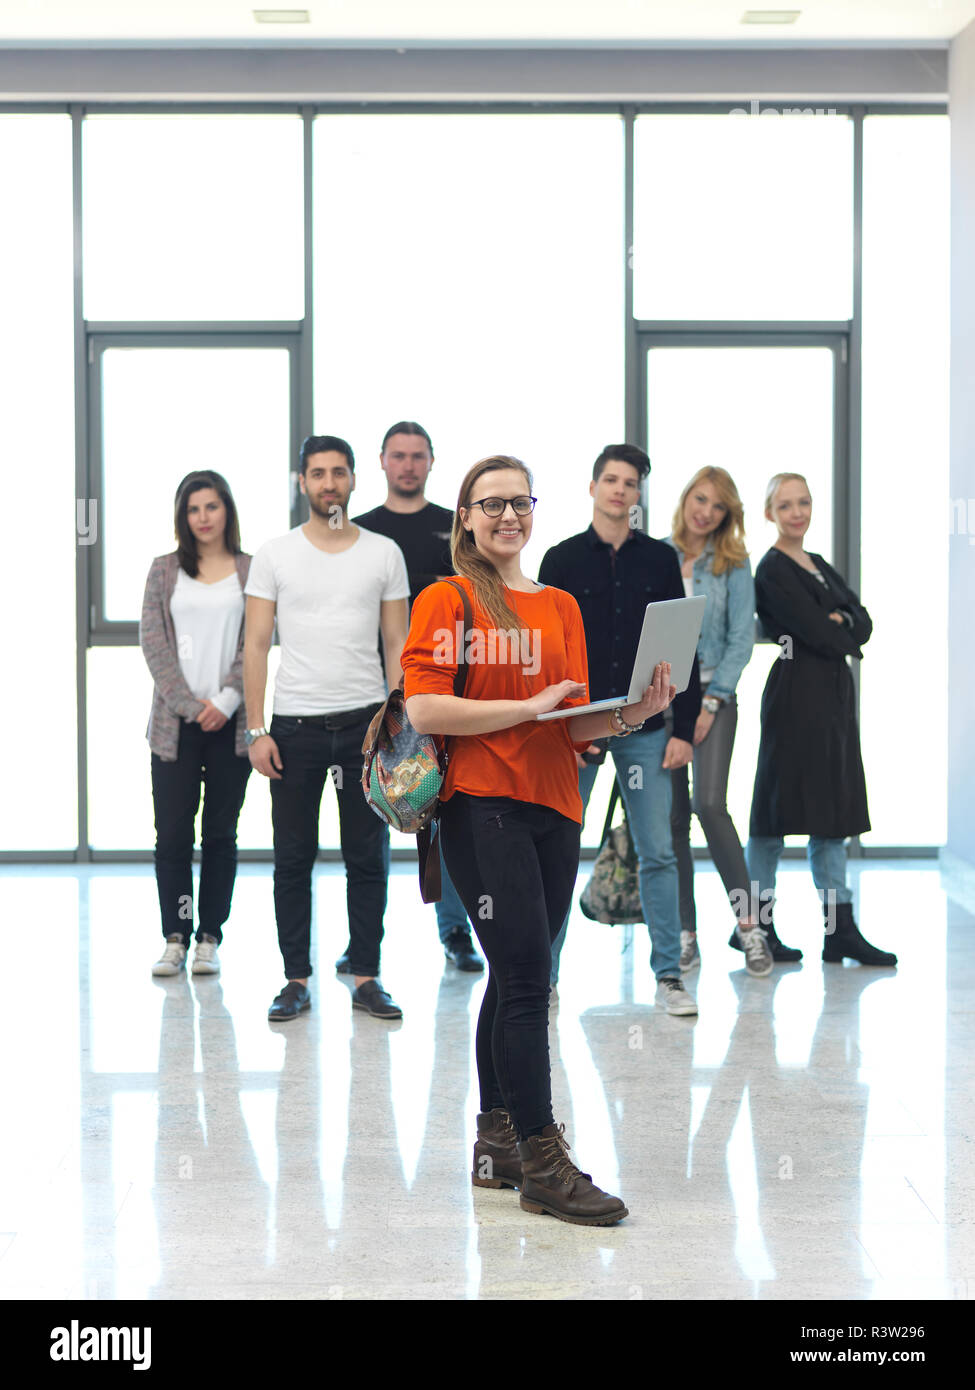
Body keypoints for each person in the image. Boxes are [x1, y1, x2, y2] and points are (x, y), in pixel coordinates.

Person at [401, 453, 676, 1225]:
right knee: (526, 977)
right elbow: (425, 710)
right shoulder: (446, 598)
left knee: (515, 974)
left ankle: (494, 1143)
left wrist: (632, 712)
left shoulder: (558, 605)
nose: (506, 516)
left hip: (555, 803)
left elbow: (573, 720)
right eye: (488, 505)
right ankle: (542, 1161)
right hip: (480, 805)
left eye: (517, 502)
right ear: (464, 517)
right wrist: (524, 708)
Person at [243, 434, 411, 1021]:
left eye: (338, 472)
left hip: (367, 725)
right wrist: (254, 729)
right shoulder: (275, 554)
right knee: (293, 858)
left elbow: (397, 642)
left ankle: (367, 975)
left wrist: (401, 725)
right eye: (317, 473)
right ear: (302, 482)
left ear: (354, 479)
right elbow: (257, 644)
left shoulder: (384, 553)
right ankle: (295, 979)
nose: (329, 483)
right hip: (293, 729)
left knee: (368, 856)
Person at [539, 444, 702, 1015]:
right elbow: (546, 652)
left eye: (630, 483)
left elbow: (682, 645)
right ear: (592, 487)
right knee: (557, 850)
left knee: (658, 851)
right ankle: (545, 979)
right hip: (578, 726)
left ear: (638, 495)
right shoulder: (559, 560)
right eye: (610, 480)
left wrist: (682, 726)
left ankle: (669, 977)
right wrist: (566, 731)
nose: (619, 490)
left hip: (646, 724)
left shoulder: (659, 559)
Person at [746, 472, 896, 967]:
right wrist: (837, 623)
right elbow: (815, 631)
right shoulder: (771, 569)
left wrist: (841, 622)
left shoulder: (818, 565)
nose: (797, 512)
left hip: (832, 700)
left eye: (804, 502)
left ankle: (840, 933)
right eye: (786, 505)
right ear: (770, 513)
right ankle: (756, 927)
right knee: (774, 815)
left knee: (832, 816)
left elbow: (864, 623)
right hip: (795, 699)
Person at [353, 420, 483, 973]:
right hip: (376, 691)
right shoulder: (358, 533)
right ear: (382, 462)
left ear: (431, 463)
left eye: (417, 456)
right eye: (398, 456)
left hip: (444, 690)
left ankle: (455, 931)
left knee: (444, 809)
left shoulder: (451, 532)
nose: (407, 465)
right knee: (379, 808)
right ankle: (365, 942)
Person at [666, 466, 792, 978]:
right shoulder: (657, 554)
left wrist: (713, 701)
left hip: (715, 698)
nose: (706, 512)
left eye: (718, 507)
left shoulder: (734, 565)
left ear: (728, 515)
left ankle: (749, 928)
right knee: (671, 821)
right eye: (700, 500)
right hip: (662, 700)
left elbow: (742, 639)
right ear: (686, 499)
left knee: (709, 805)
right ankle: (682, 935)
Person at [141, 470, 252, 979]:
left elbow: (256, 640)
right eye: (193, 509)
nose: (203, 517)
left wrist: (227, 699)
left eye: (211, 506)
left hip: (230, 724)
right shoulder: (164, 571)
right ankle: (175, 935)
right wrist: (190, 704)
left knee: (221, 835)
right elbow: (153, 644)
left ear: (226, 510)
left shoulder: (250, 571)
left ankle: (210, 936)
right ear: (183, 517)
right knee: (173, 837)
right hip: (175, 726)